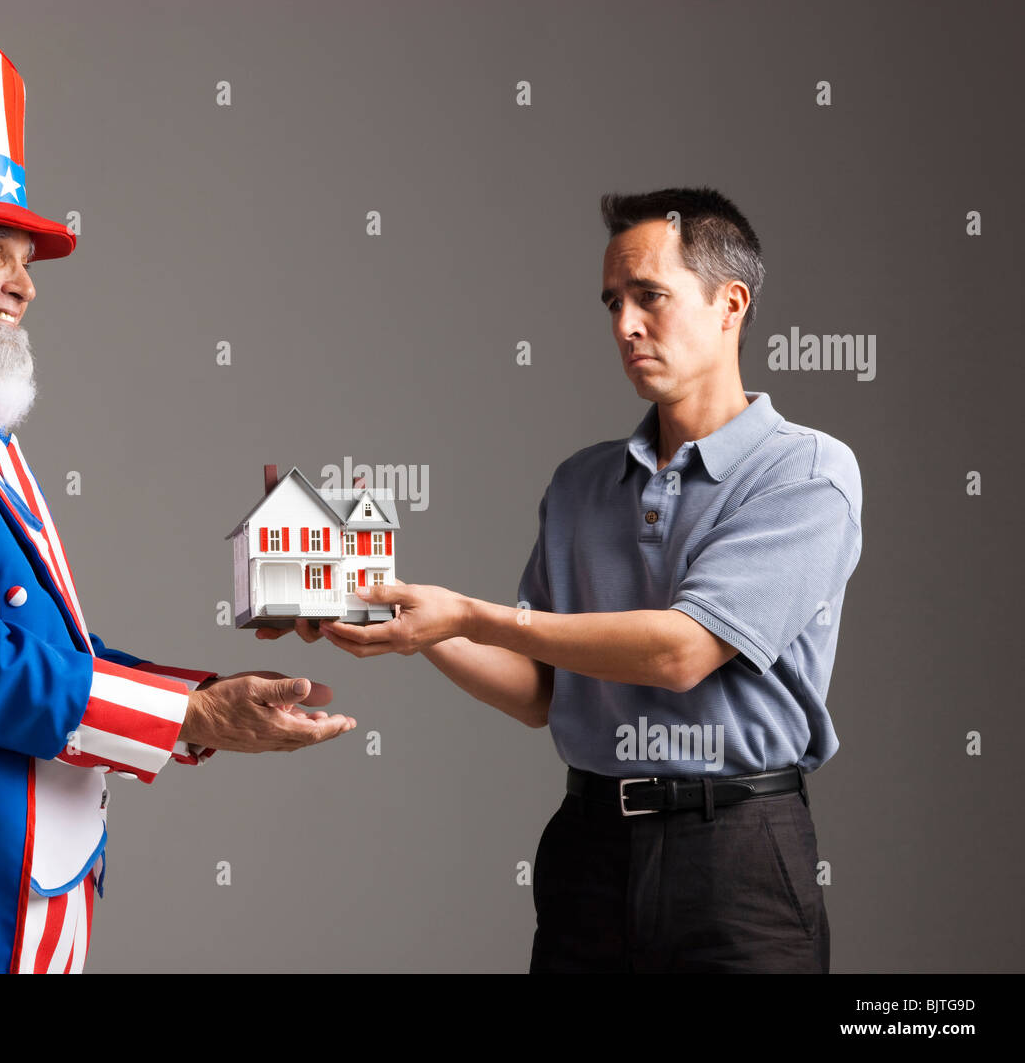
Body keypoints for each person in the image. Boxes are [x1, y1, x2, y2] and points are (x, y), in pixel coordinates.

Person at [0, 32, 354, 975]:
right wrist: (188, 719)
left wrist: (200, 697)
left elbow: (45, 656)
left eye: (25, 260)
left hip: (34, 886)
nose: (26, 285)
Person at [261, 187, 862, 973]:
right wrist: (409, 621)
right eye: (613, 302)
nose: (624, 325)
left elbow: (682, 653)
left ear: (730, 304)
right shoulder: (580, 483)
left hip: (738, 856)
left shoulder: (807, 472)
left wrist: (470, 615)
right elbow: (540, 692)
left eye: (650, 297)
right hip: (589, 850)